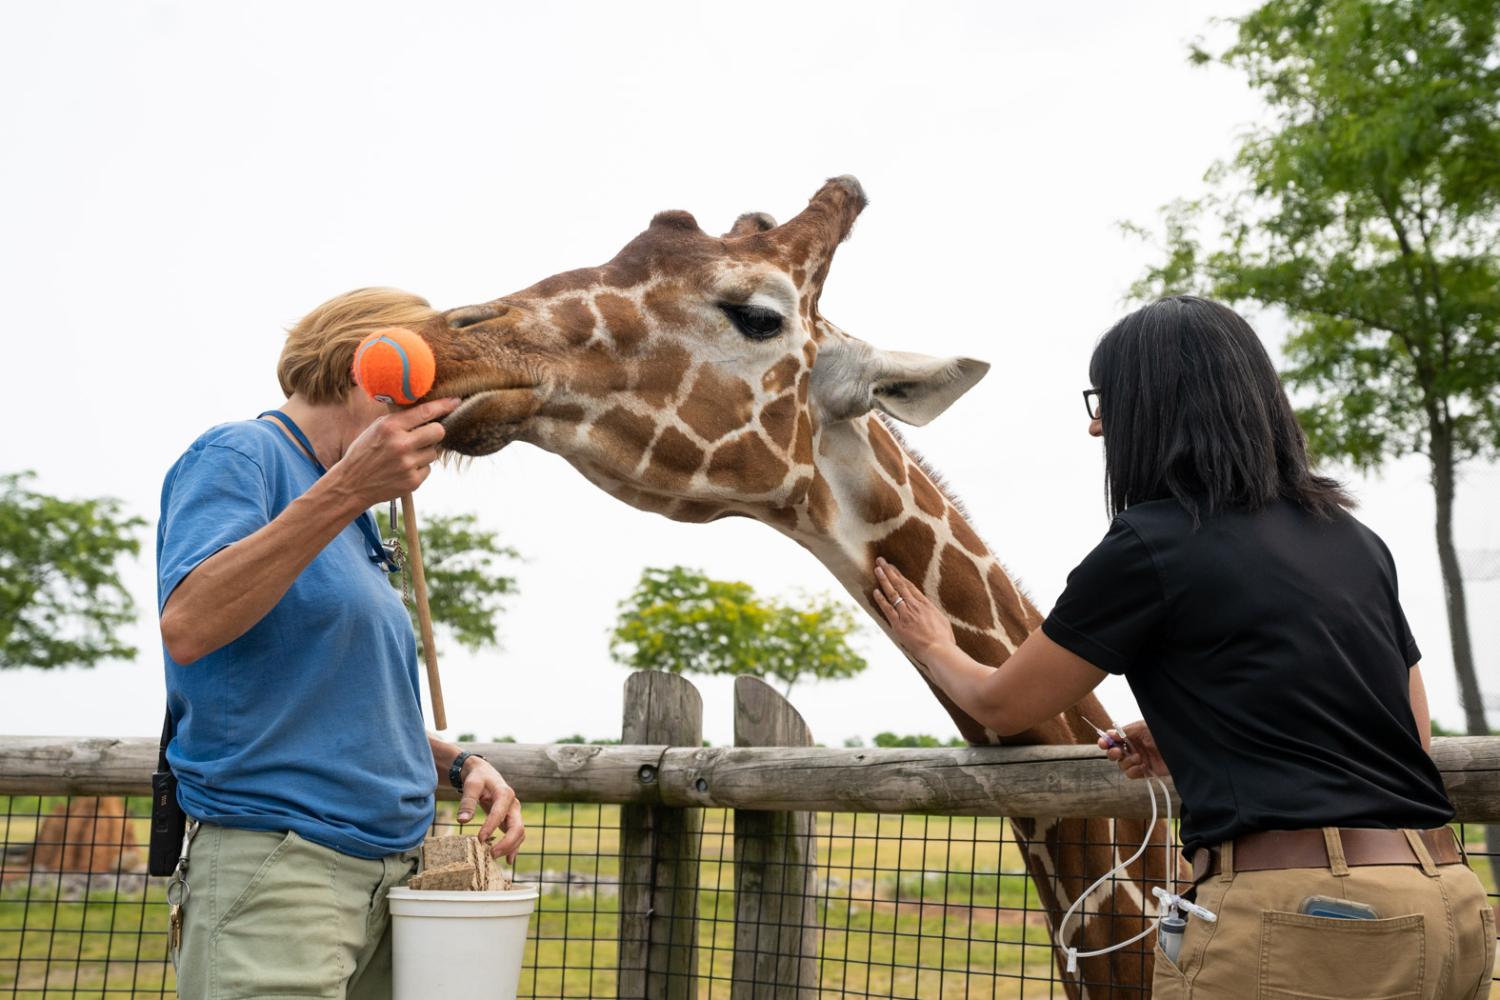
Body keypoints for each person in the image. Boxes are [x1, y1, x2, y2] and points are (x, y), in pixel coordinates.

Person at [872, 295, 1493, 999]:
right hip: (1449, 904)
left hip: (1303, 923)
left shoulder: (1150, 545)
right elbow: (1405, 736)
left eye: (1105, 399)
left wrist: (932, 643)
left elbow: (1002, 704)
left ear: (1154, 405)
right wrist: (1203, 738)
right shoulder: (1354, 538)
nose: (1096, 424)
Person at [156, 288, 525, 1000]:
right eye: (430, 383)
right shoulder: (242, 454)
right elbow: (190, 624)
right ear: (369, 365)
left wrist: (457, 763)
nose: (438, 413)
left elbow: (327, 700)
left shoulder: (352, 513)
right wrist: (349, 489)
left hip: (395, 874)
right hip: (282, 868)